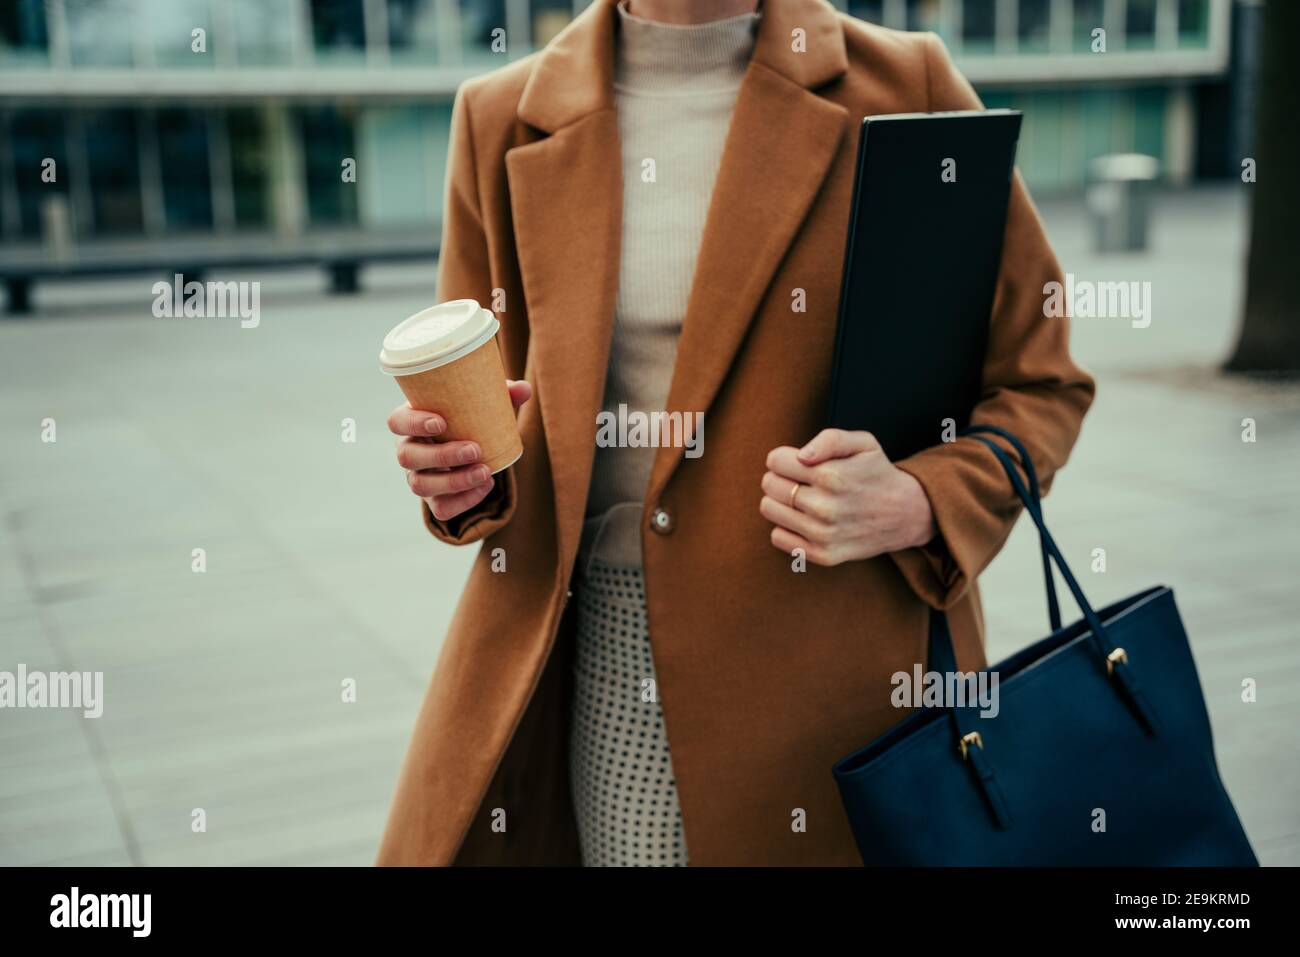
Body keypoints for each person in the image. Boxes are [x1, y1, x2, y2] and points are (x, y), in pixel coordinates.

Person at [378, 0, 1095, 866]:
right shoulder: (497, 117)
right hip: (606, 668)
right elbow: (490, 421)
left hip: (851, 692)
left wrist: (921, 498)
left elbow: (1041, 379)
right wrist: (462, 476)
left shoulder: (910, 85)